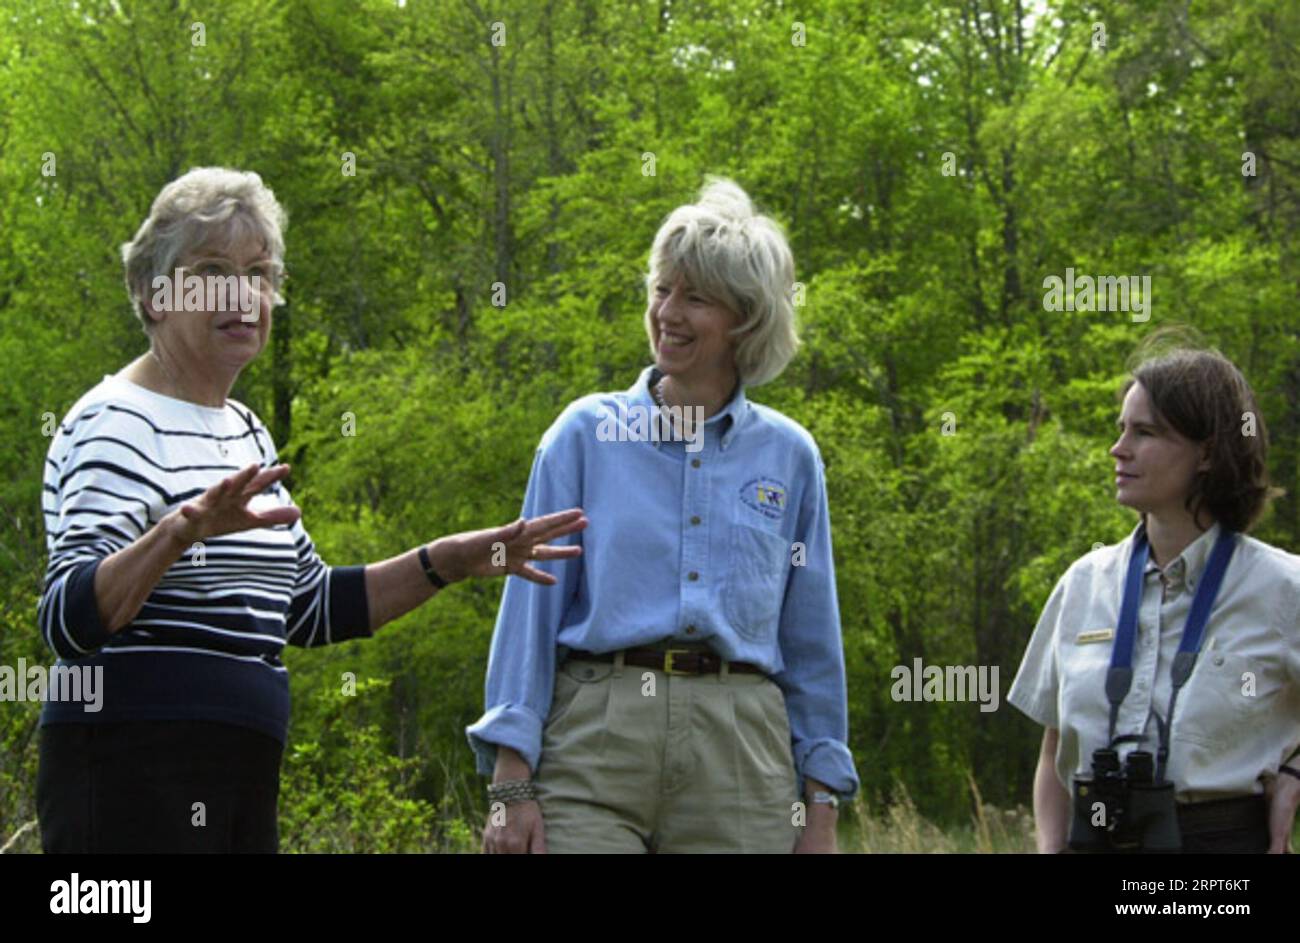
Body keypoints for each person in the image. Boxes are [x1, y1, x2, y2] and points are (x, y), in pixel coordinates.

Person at [36, 166, 586, 853]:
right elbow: (68, 620)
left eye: (261, 273)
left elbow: (310, 607)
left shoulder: (244, 430)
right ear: (154, 294)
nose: (245, 293)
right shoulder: (115, 420)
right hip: (129, 769)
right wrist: (181, 532)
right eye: (212, 269)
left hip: (241, 769)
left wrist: (448, 560)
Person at [468, 178, 859, 854]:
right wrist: (511, 782)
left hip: (742, 754)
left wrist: (820, 806)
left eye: (696, 297)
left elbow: (812, 639)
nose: (668, 312)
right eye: (661, 289)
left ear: (746, 317)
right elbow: (529, 613)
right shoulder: (583, 435)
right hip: (595, 734)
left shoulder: (790, 457)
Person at [1008, 340, 1300, 853]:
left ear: (1208, 452)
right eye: (1122, 429)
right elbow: (1055, 748)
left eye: (1144, 432)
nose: (1118, 449)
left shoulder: (1282, 588)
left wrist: (1295, 775)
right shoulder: (1083, 583)